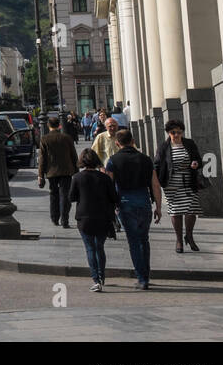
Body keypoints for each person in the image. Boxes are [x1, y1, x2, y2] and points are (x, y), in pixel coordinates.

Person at [107, 129, 162, 289]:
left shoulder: (113, 160)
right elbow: (155, 184)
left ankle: (141, 277)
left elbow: (109, 186)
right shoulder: (146, 159)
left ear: (117, 143)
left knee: (133, 241)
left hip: (124, 201)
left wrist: (112, 207)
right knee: (144, 239)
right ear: (133, 140)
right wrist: (158, 207)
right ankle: (145, 274)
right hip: (144, 200)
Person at [70, 148, 118, 291]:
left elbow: (71, 198)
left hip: (84, 217)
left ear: (82, 161)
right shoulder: (104, 178)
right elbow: (114, 197)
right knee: (99, 247)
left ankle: (96, 280)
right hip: (103, 217)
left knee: (90, 248)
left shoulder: (77, 178)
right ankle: (102, 276)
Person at [153, 120, 203, 253]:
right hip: (171, 184)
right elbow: (157, 164)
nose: (176, 135)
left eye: (179, 132)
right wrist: (155, 181)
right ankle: (179, 240)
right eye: (173, 132)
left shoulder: (189, 143)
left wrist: (195, 164)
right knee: (176, 212)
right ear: (168, 133)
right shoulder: (164, 147)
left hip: (189, 181)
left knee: (191, 211)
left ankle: (190, 236)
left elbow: (198, 159)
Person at [38, 115, 79, 227]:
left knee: (54, 194)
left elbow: (42, 159)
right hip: (66, 170)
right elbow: (73, 155)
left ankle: (55, 218)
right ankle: (65, 220)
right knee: (65, 195)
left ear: (48, 125)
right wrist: (76, 170)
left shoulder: (44, 139)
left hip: (51, 172)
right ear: (59, 126)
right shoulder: (67, 138)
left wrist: (40, 175)